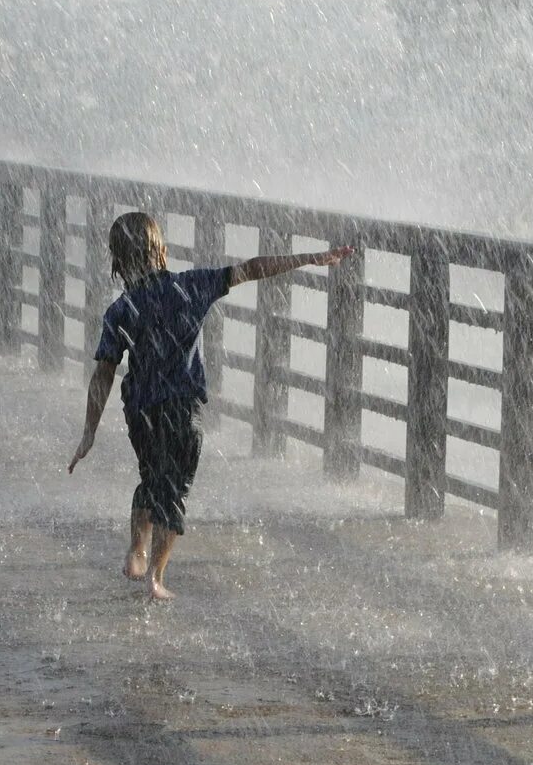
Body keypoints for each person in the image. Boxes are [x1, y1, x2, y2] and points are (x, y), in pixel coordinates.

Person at [68, 211, 353, 601]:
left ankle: (136, 548)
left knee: (152, 479)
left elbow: (103, 374)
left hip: (141, 412)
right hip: (182, 410)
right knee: (175, 489)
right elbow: (252, 269)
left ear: (117, 261)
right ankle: (155, 576)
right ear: (163, 251)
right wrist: (309, 259)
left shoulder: (122, 309)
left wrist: (89, 432)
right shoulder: (192, 286)